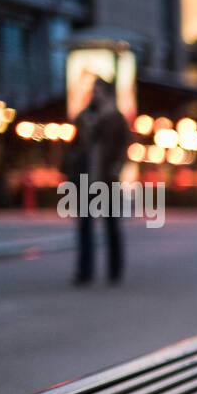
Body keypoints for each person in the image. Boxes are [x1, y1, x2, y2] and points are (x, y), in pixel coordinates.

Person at [67, 80, 131, 285]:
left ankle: (115, 270)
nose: (95, 94)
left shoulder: (115, 117)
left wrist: (117, 167)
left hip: (107, 180)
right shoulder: (84, 116)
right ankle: (84, 272)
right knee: (84, 226)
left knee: (111, 226)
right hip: (84, 179)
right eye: (93, 90)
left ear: (107, 93)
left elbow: (125, 145)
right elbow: (73, 145)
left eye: (99, 90)